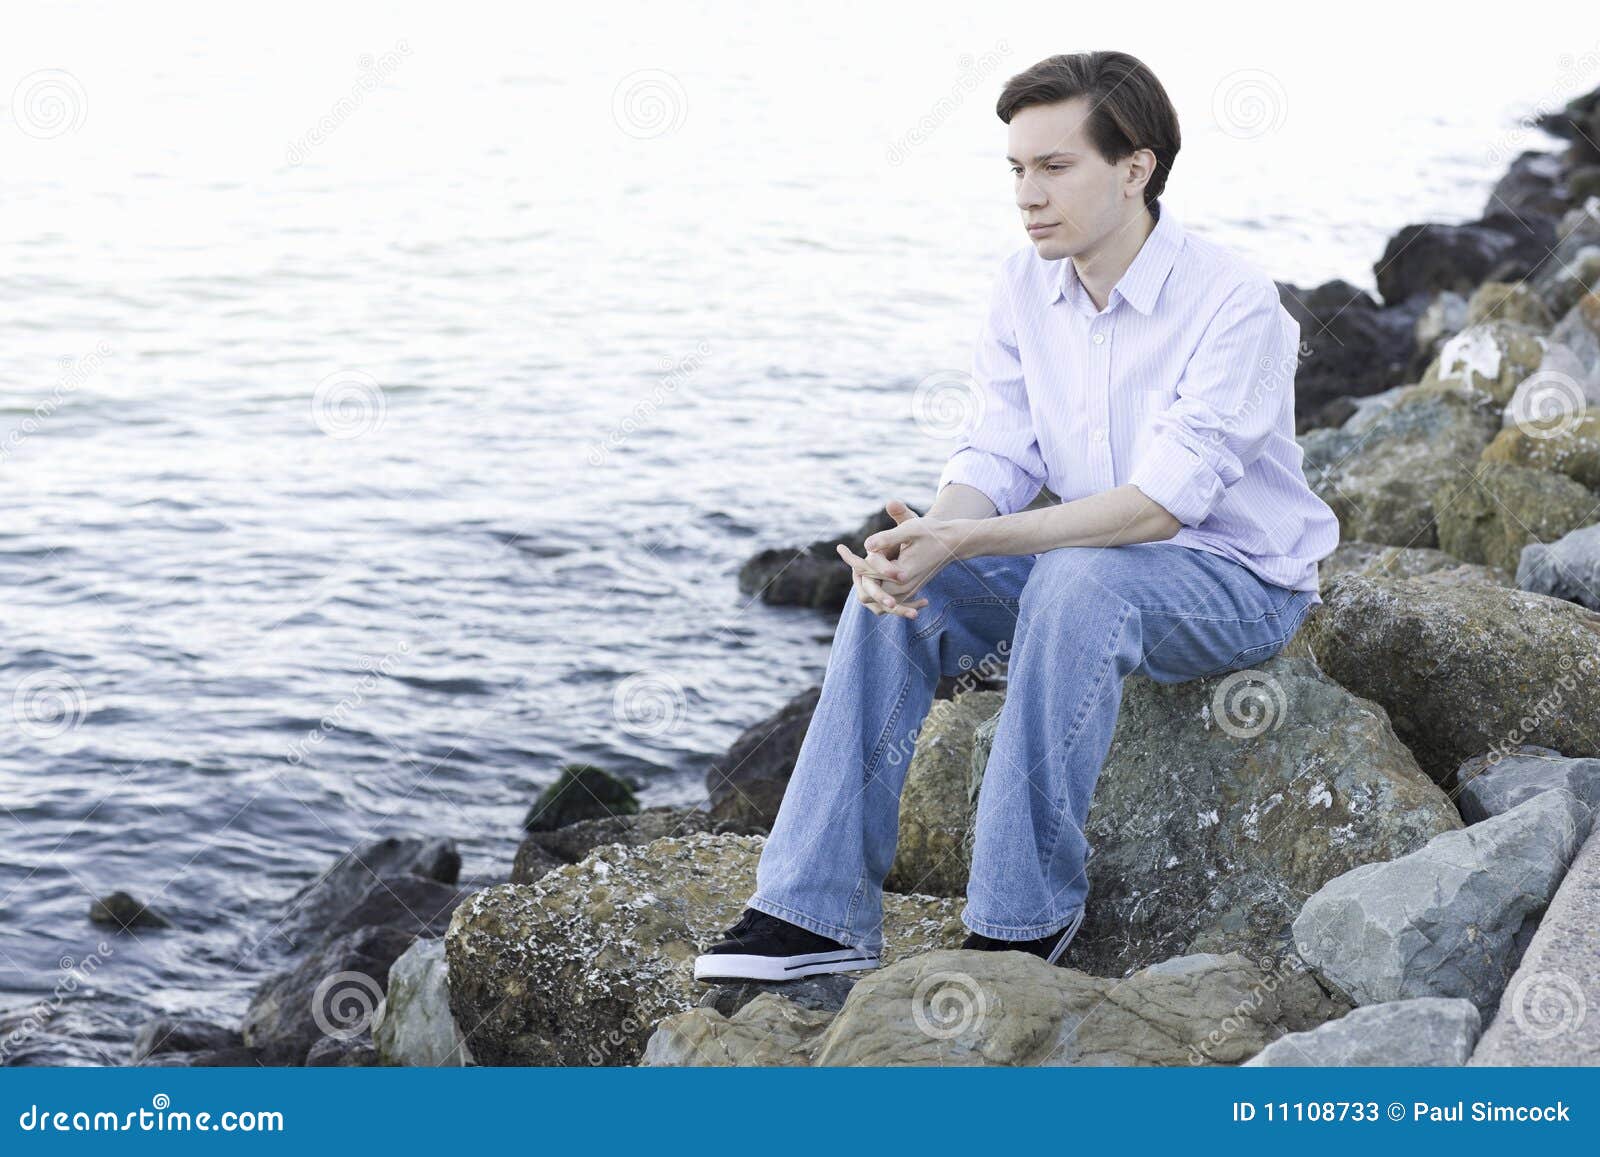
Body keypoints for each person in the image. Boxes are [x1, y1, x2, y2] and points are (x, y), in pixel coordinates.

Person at [695, 50, 1338, 983]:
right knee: (898, 590)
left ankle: (1018, 920)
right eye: (1016, 169)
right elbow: (996, 457)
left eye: (1055, 166)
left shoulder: (1232, 300)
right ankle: (811, 911)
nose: (1028, 195)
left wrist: (973, 537)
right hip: (1097, 565)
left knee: (1077, 577)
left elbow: (1160, 507)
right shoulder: (1022, 285)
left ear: (1135, 167)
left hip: (1239, 583)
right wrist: (929, 539)